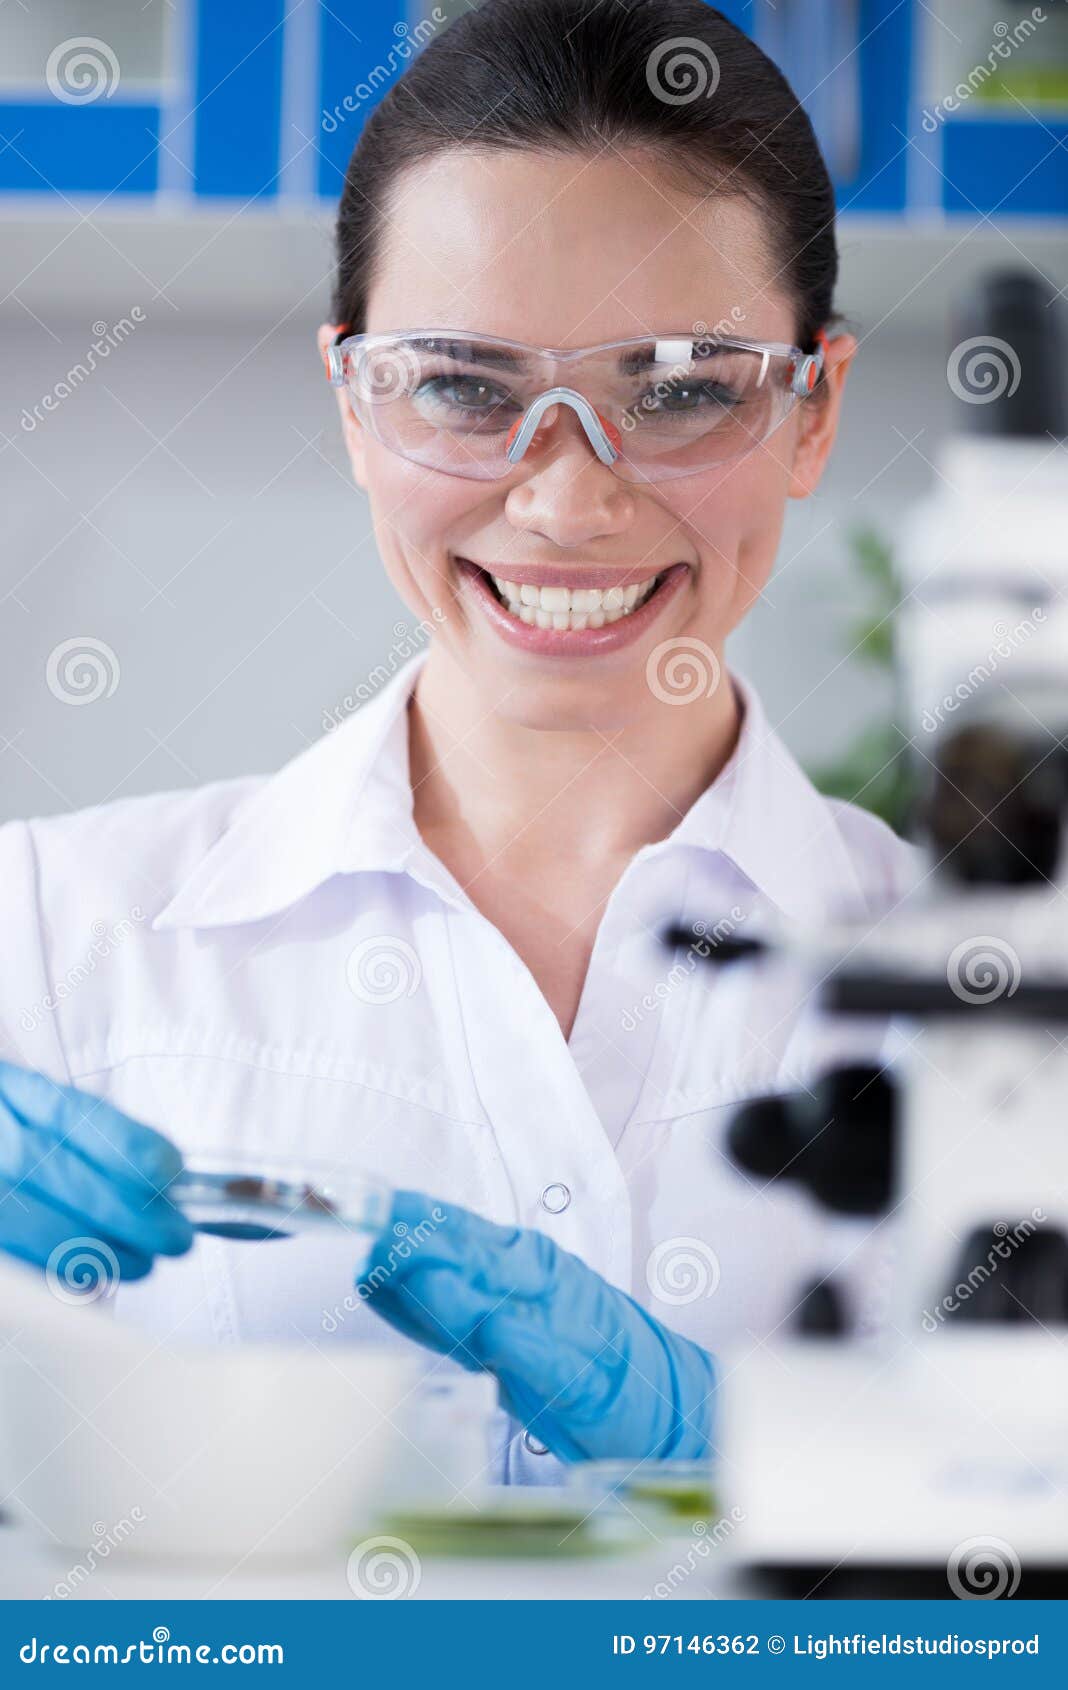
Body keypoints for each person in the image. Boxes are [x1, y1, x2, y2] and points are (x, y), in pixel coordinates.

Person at [0, 0, 921, 1484]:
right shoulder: (48, 942)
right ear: (358, 407)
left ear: (811, 412)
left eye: (680, 390)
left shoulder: (991, 998)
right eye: (464, 389)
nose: (564, 501)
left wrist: (757, 1460)